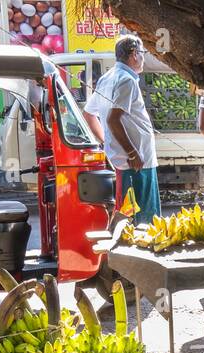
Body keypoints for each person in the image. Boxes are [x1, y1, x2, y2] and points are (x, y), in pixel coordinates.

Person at [85, 35, 160, 224]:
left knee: (127, 217)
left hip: (128, 161)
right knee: (142, 221)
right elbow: (112, 119)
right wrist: (132, 152)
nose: (143, 57)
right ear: (134, 54)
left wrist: (108, 142)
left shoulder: (107, 78)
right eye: (142, 53)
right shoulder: (126, 80)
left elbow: (89, 115)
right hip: (136, 163)